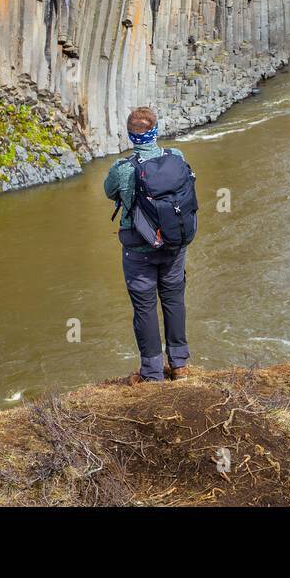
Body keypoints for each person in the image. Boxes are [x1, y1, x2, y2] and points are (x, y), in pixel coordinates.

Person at [104, 107, 190, 383]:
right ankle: (180, 365)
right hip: (174, 245)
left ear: (130, 135)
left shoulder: (122, 168)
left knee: (144, 308)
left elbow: (109, 192)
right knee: (174, 300)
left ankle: (152, 373)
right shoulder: (176, 157)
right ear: (156, 131)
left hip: (139, 248)